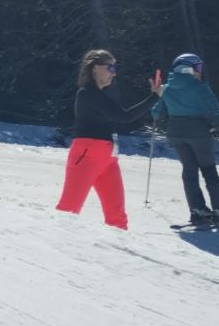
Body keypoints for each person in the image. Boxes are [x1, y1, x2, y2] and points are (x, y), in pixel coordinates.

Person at [56, 49, 163, 231]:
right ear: (95, 68)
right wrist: (154, 97)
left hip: (108, 159)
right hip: (86, 155)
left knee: (117, 216)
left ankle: (120, 246)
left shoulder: (104, 93)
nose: (114, 73)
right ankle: (53, 241)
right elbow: (124, 116)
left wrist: (154, 96)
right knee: (69, 208)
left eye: (115, 68)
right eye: (110, 68)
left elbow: (121, 114)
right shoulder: (87, 93)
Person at [152, 53, 219, 224]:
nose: (200, 71)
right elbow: (214, 107)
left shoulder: (167, 88)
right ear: (187, 69)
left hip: (176, 132)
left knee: (189, 170)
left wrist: (159, 96)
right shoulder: (199, 87)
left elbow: (156, 112)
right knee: (208, 170)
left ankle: (197, 210)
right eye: (197, 67)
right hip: (198, 132)